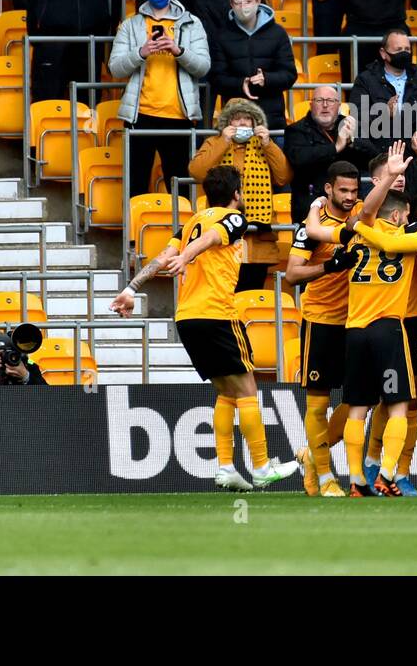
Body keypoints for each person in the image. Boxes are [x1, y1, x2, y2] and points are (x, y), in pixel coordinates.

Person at [109, 164, 299, 490]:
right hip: (217, 314)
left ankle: (226, 467)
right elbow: (212, 239)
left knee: (226, 393)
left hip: (187, 318)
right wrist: (187, 257)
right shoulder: (234, 218)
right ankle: (262, 465)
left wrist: (131, 289)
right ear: (237, 194)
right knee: (248, 390)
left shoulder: (189, 223)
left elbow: (160, 258)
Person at [338, 149, 417, 496]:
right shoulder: (405, 238)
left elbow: (366, 213)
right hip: (389, 328)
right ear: (402, 214)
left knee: (358, 408)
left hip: (354, 328)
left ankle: (356, 479)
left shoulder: (358, 233)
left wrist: (386, 178)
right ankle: (387, 473)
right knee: (399, 405)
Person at [285, 160, 361, 498]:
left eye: (354, 191)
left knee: (362, 397)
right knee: (318, 404)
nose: (349, 196)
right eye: (343, 190)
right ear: (328, 189)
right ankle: (326, 476)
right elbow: (292, 274)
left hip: (358, 319)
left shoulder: (362, 215)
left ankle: (312, 458)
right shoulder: (312, 225)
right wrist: (330, 266)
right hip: (322, 319)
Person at [108, 0, 212, 199]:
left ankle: (183, 235)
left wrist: (178, 50)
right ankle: (135, 237)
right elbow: (115, 68)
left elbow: (203, 66)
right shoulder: (131, 25)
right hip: (140, 116)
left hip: (178, 117)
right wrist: (141, 52)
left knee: (180, 187)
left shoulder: (191, 23)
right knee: (136, 185)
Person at [188, 98, 291, 290]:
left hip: (257, 241)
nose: (242, 123)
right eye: (236, 119)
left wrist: (268, 144)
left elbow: (283, 176)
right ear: (227, 123)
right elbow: (197, 172)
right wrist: (223, 142)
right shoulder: (214, 142)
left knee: (251, 294)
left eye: (247, 118)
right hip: (222, 234)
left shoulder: (263, 145)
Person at [207, 0, 298, 130]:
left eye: (248, 1)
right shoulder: (221, 36)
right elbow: (216, 78)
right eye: (238, 2)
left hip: (271, 122)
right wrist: (240, 84)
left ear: (258, 1)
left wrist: (267, 79)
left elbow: (290, 74)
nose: (244, 7)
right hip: (235, 122)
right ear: (231, 4)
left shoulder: (278, 33)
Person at [348, 28, 417, 162]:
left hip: (412, 158)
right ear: (383, 53)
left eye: (407, 49)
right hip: (376, 159)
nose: (404, 53)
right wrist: (384, 113)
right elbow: (356, 120)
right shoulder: (365, 80)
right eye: (398, 50)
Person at [282, 85, 360, 224]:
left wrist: (353, 141)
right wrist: (335, 148)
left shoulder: (349, 125)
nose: (325, 105)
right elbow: (299, 158)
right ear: (311, 105)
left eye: (330, 101)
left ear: (339, 106)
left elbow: (371, 158)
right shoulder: (295, 130)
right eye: (319, 100)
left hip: (348, 206)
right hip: (309, 206)